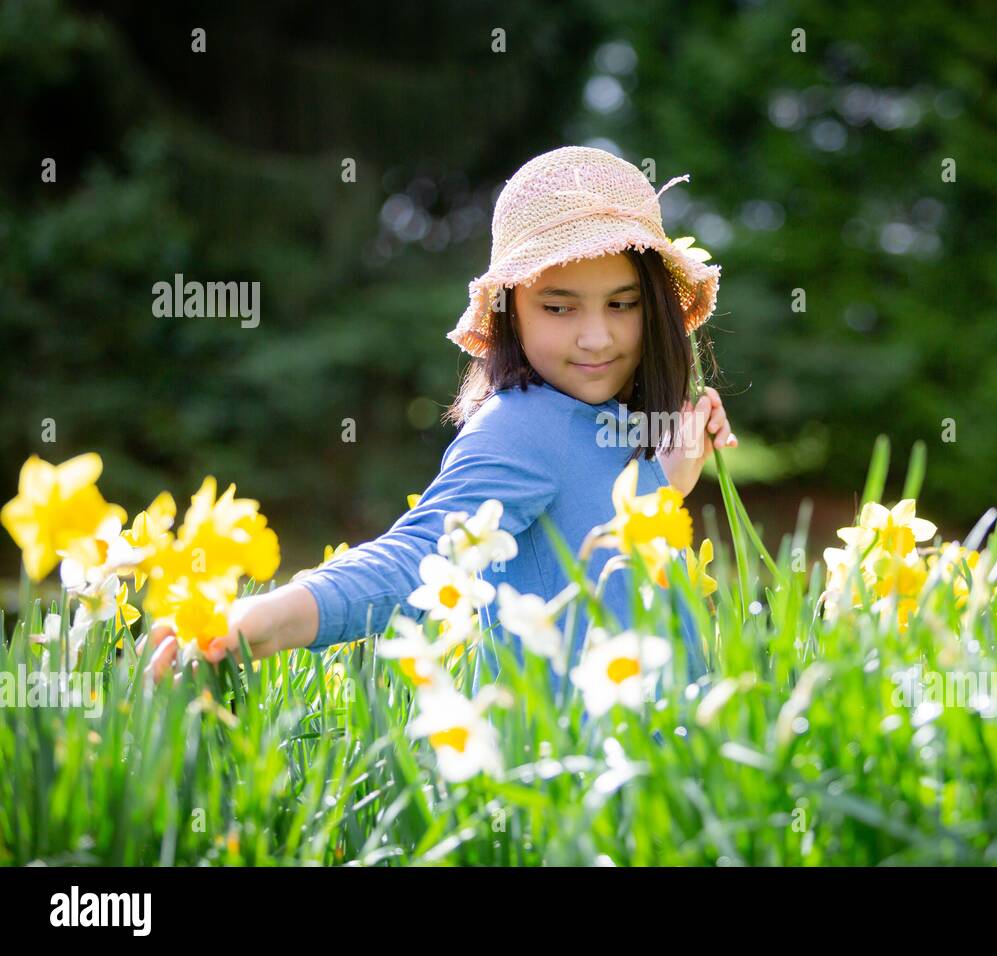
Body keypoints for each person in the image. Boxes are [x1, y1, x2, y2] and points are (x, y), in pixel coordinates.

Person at [142, 145, 737, 689]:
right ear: (511, 313)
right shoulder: (518, 428)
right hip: (564, 791)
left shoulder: (614, 426)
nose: (595, 336)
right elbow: (420, 555)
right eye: (559, 306)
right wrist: (268, 619)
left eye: (622, 305)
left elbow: (608, 556)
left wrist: (664, 482)